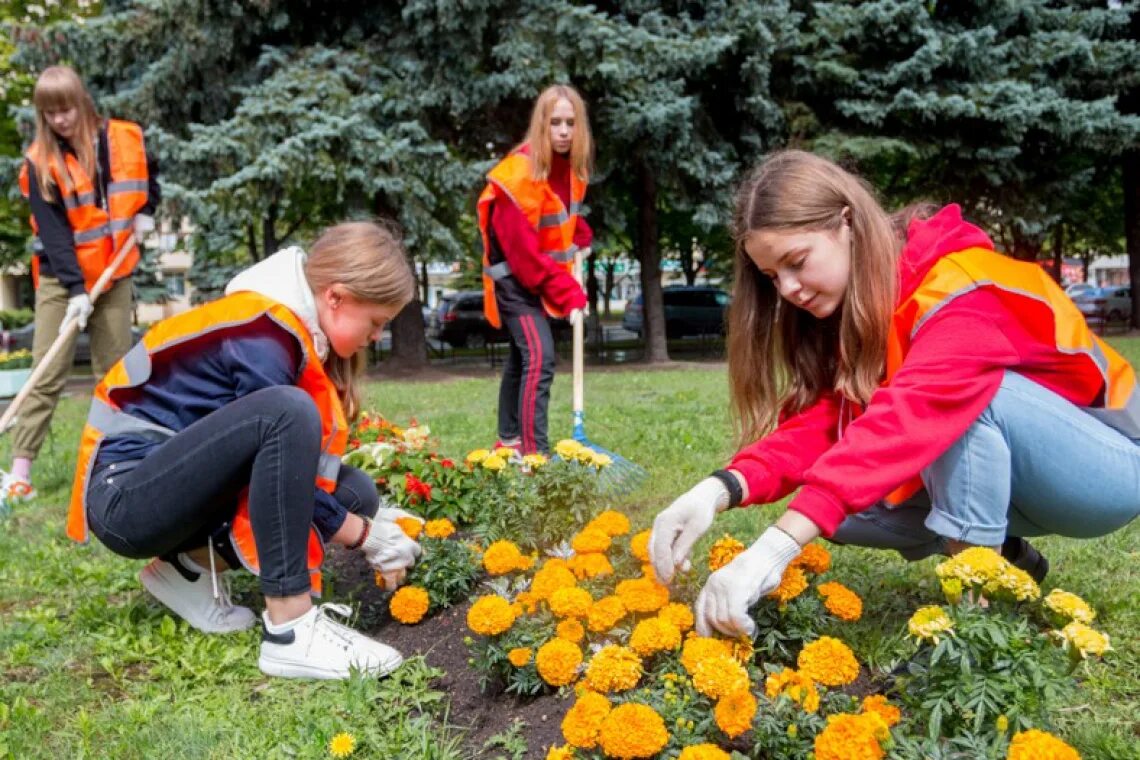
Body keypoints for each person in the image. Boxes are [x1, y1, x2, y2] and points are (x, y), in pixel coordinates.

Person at [650, 150, 1140, 638]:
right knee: (841, 510)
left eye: (796, 262)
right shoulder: (867, 306)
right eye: (773, 277)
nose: (789, 290)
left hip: (1111, 463)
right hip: (1031, 471)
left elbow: (915, 411)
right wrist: (717, 490)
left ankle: (975, 626)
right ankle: (1008, 562)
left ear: (848, 223)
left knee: (969, 404)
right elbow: (831, 423)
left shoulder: (958, 281)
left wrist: (774, 549)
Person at [69, 221, 425, 680]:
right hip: (125, 499)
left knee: (351, 492)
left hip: (162, 486)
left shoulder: (281, 329)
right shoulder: (263, 334)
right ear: (336, 297)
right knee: (287, 412)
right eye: (376, 323)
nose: (375, 337)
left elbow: (280, 474)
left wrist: (362, 522)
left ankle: (187, 569)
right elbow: (278, 431)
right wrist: (363, 536)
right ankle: (291, 629)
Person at [4, 65, 161, 503]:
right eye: (50, 113)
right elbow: (53, 234)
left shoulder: (123, 138)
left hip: (113, 271)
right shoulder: (40, 163)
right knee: (45, 370)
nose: (61, 120)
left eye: (66, 108)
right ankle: (20, 473)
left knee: (115, 369)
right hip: (62, 278)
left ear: (82, 102)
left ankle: (125, 459)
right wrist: (74, 291)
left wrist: (149, 207)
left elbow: (150, 172)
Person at [477, 84, 593, 455]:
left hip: (534, 279)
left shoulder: (569, 171)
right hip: (514, 281)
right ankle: (533, 455)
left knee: (520, 357)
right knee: (539, 357)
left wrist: (581, 235)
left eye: (570, 123)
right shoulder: (518, 174)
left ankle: (508, 442)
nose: (562, 131)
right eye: (554, 122)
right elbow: (525, 257)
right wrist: (569, 294)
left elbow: (558, 223)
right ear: (540, 125)